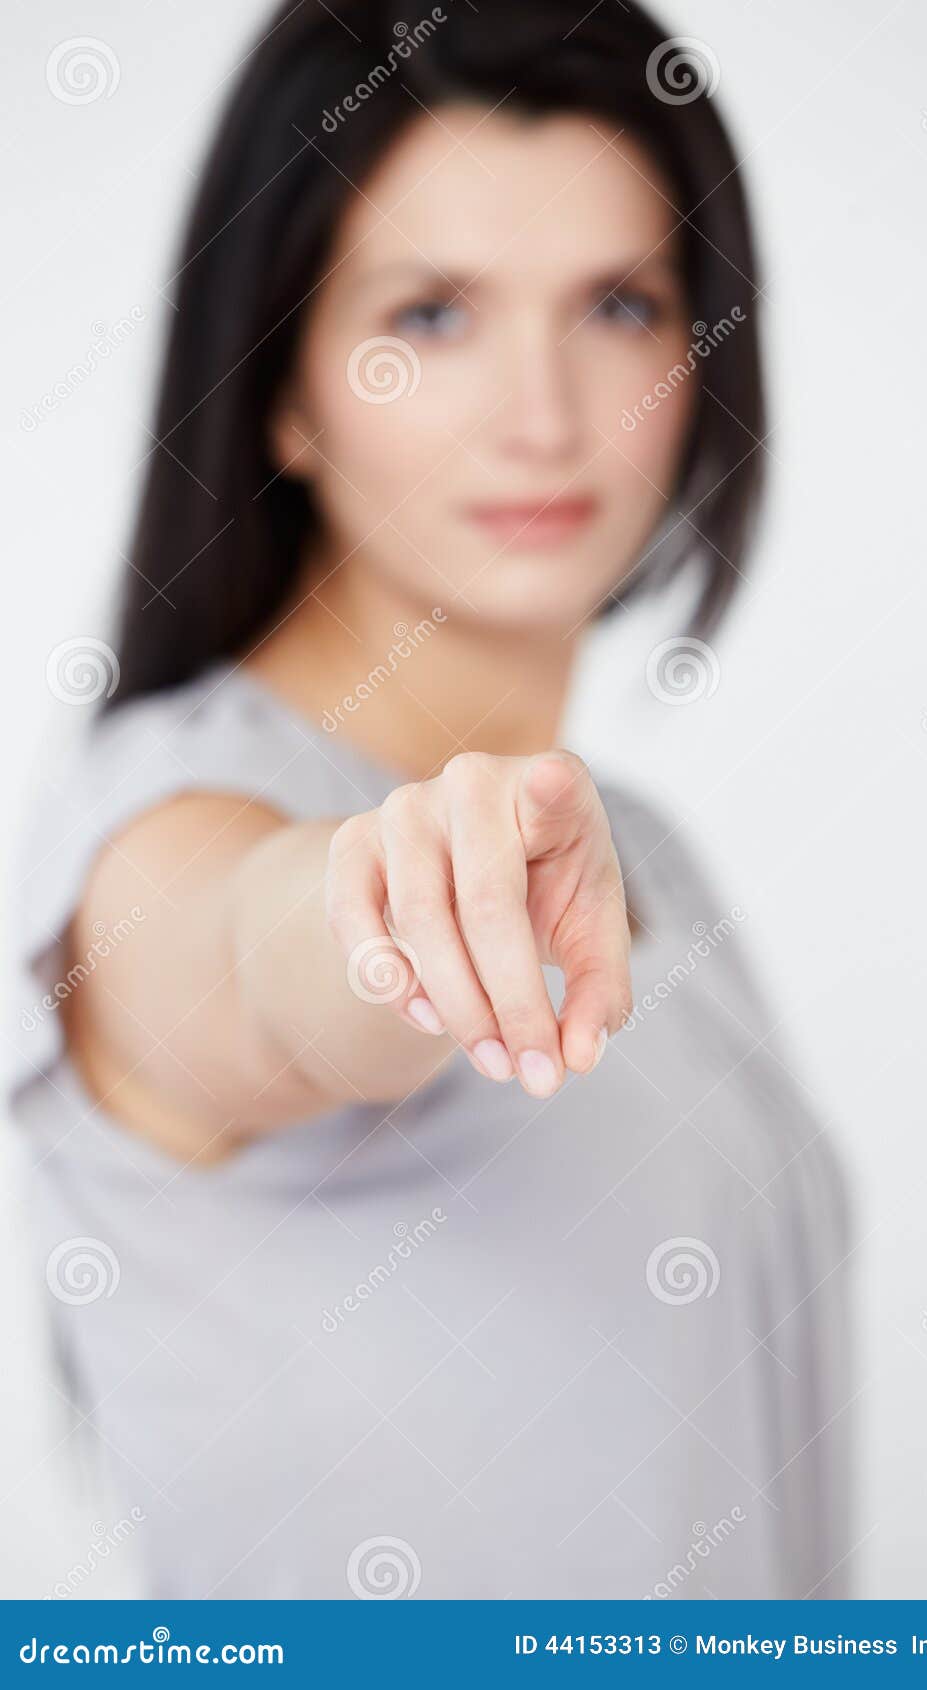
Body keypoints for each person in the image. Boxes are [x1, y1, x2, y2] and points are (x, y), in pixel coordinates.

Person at [8, 0, 853, 1599]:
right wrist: (380, 902)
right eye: (433, 315)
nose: (544, 414)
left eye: (617, 302)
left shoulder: (645, 852)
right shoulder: (169, 815)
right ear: (285, 387)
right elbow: (249, 960)